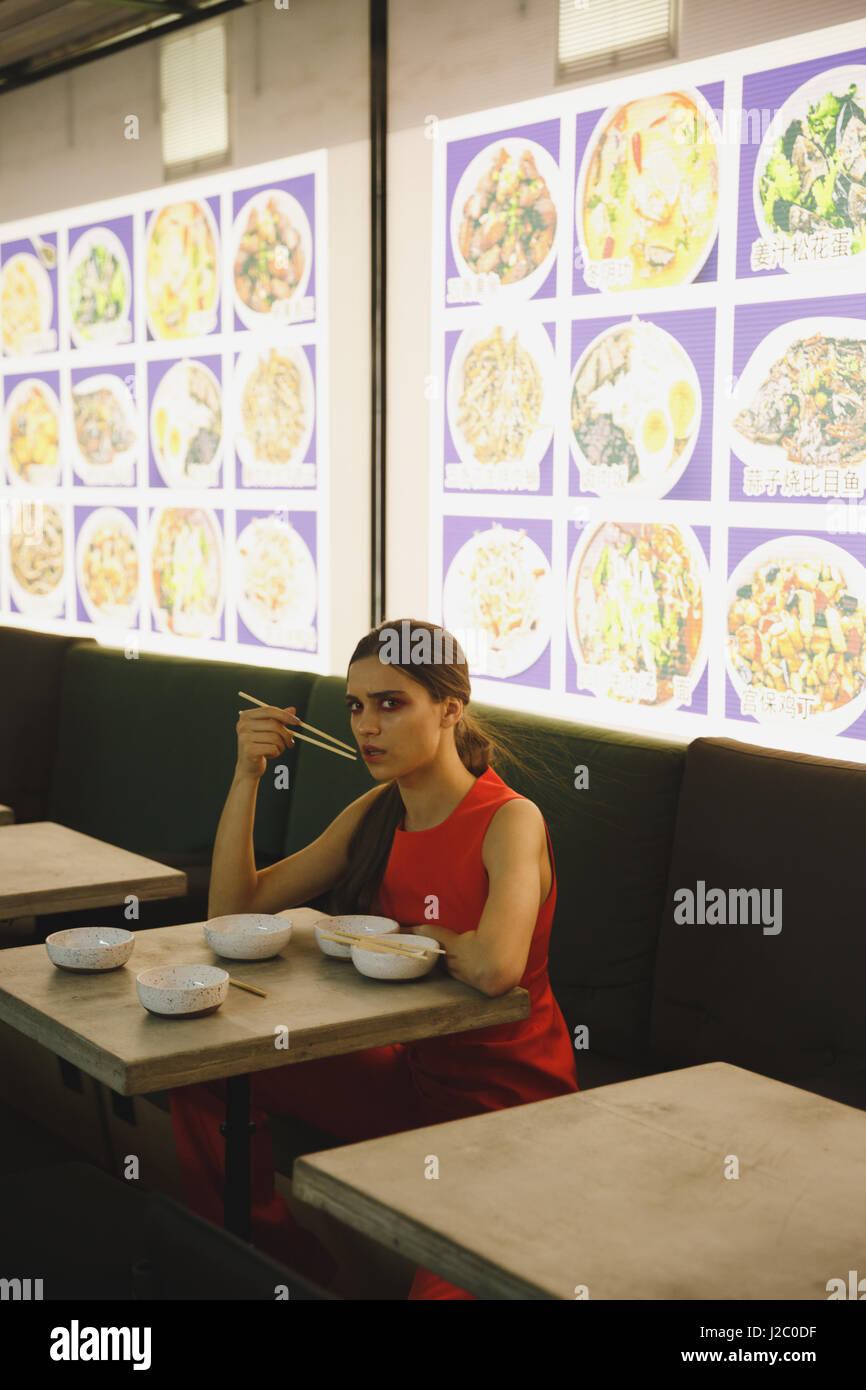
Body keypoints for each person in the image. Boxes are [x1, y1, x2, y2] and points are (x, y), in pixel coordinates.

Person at [169, 619, 579, 1299]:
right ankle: (283, 1275)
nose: (367, 726)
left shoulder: (511, 819)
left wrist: (411, 934)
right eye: (356, 706)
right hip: (410, 1080)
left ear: (450, 709)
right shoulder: (377, 813)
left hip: (511, 1106)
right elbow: (232, 916)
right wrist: (247, 776)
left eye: (391, 703)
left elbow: (493, 969)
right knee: (205, 1073)